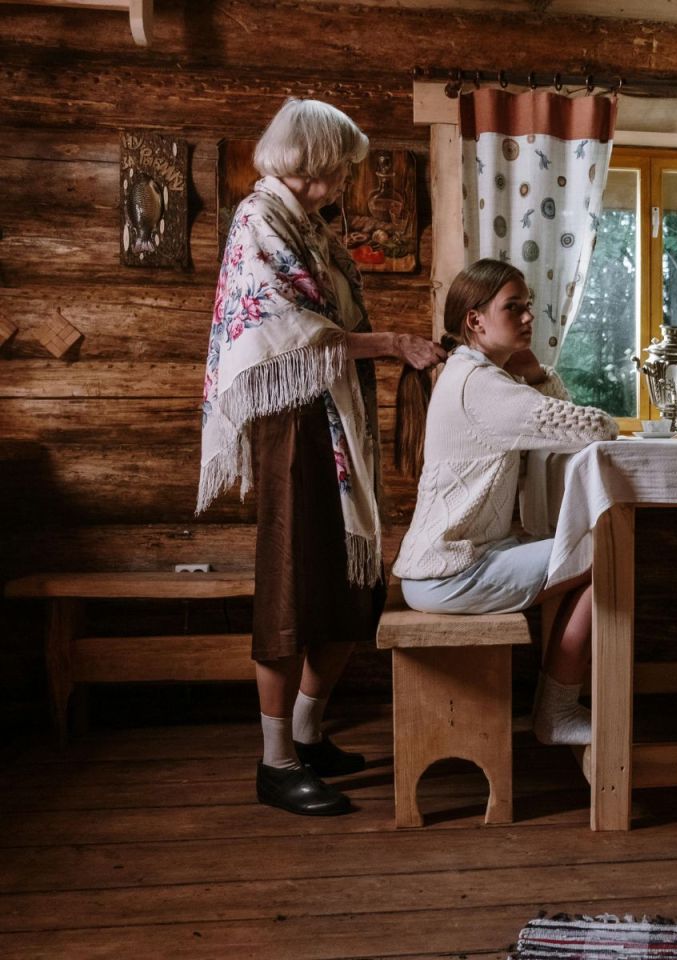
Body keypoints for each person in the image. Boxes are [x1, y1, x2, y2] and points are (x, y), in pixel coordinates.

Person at [197, 99, 445, 816]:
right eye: (340, 166)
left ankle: (306, 734)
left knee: (349, 586)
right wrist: (391, 344)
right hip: (293, 422)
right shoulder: (259, 220)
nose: (346, 180)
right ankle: (274, 762)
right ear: (311, 158)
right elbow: (284, 329)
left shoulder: (310, 226)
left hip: (333, 418)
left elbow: (332, 321)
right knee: (292, 583)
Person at [394, 258, 618, 745]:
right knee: (608, 553)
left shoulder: (477, 373)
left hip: (457, 563)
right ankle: (556, 712)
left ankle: (558, 705)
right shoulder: (483, 385)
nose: (528, 317)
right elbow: (596, 427)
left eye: (528, 306)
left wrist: (533, 374)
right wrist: (538, 377)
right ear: (475, 320)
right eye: (513, 307)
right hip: (451, 573)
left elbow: (560, 418)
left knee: (585, 550)